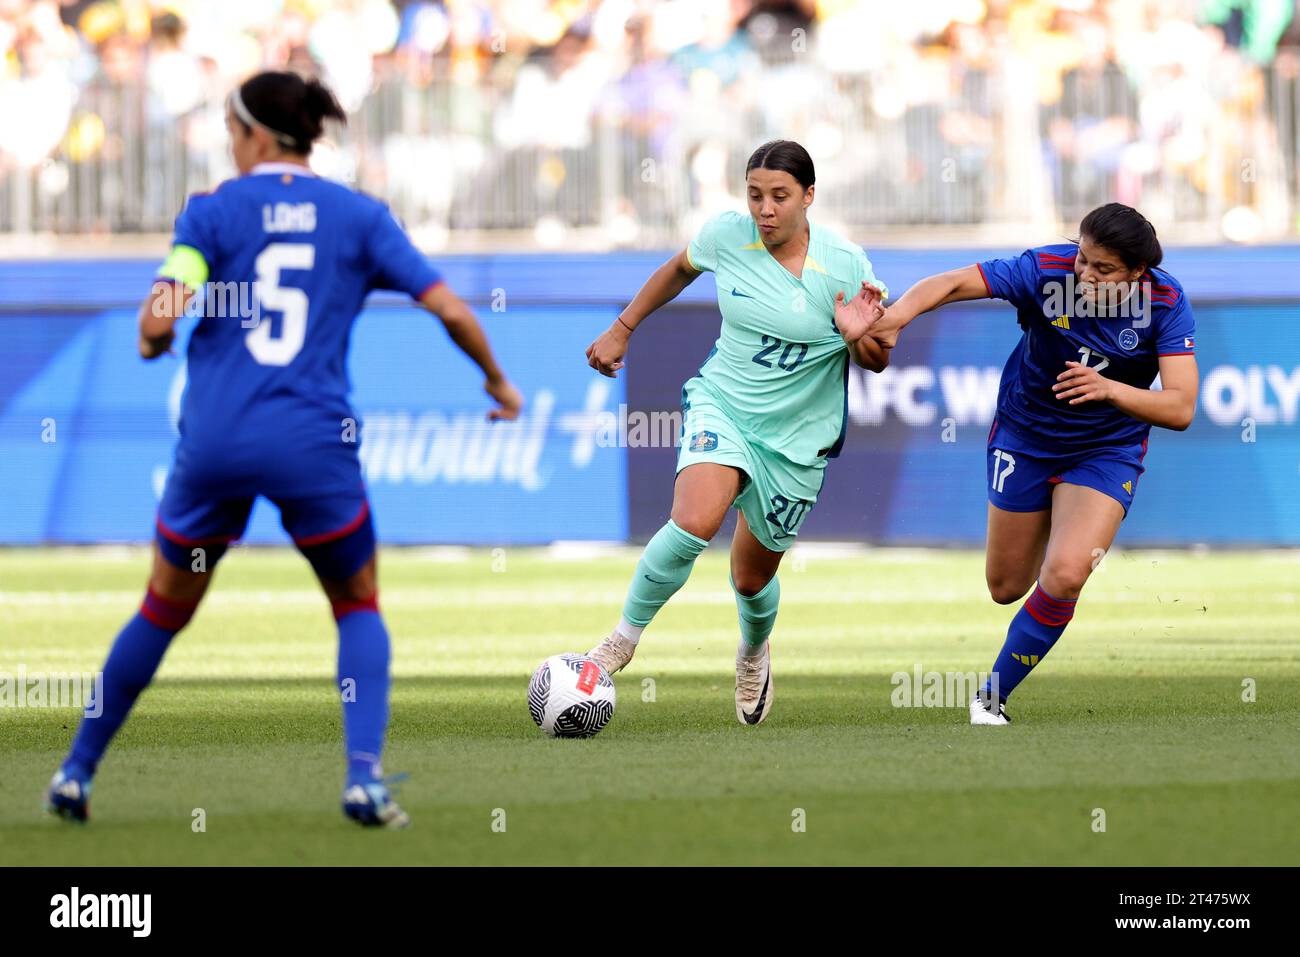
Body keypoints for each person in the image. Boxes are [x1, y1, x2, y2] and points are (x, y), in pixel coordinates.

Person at [45, 71, 522, 827]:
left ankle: (76, 772)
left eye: (232, 134)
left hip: (216, 444)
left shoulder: (213, 211)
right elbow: (450, 308)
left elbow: (162, 311)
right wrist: (498, 381)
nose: (229, 148)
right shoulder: (361, 216)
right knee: (356, 602)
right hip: (312, 443)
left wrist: (151, 335)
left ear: (256, 136)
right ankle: (363, 778)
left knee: (162, 610)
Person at [850, 203, 1198, 725]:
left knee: (1063, 575)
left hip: (1105, 451)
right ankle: (1039, 590)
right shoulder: (1046, 271)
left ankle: (990, 699)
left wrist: (1110, 390)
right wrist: (894, 319)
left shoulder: (1166, 304)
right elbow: (951, 283)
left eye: (1103, 270)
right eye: (1083, 259)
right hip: (1025, 436)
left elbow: (1181, 407)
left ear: (1137, 275)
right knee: (1007, 587)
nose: (1085, 275)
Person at [584, 139, 889, 725]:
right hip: (723, 405)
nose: (765, 209)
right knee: (694, 521)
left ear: (809, 197)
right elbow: (678, 269)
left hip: (798, 440)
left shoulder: (847, 265)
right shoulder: (727, 235)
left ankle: (754, 650)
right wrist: (623, 327)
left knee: (751, 577)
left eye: (779, 196)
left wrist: (858, 336)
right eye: (755, 195)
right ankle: (619, 642)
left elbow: (878, 357)